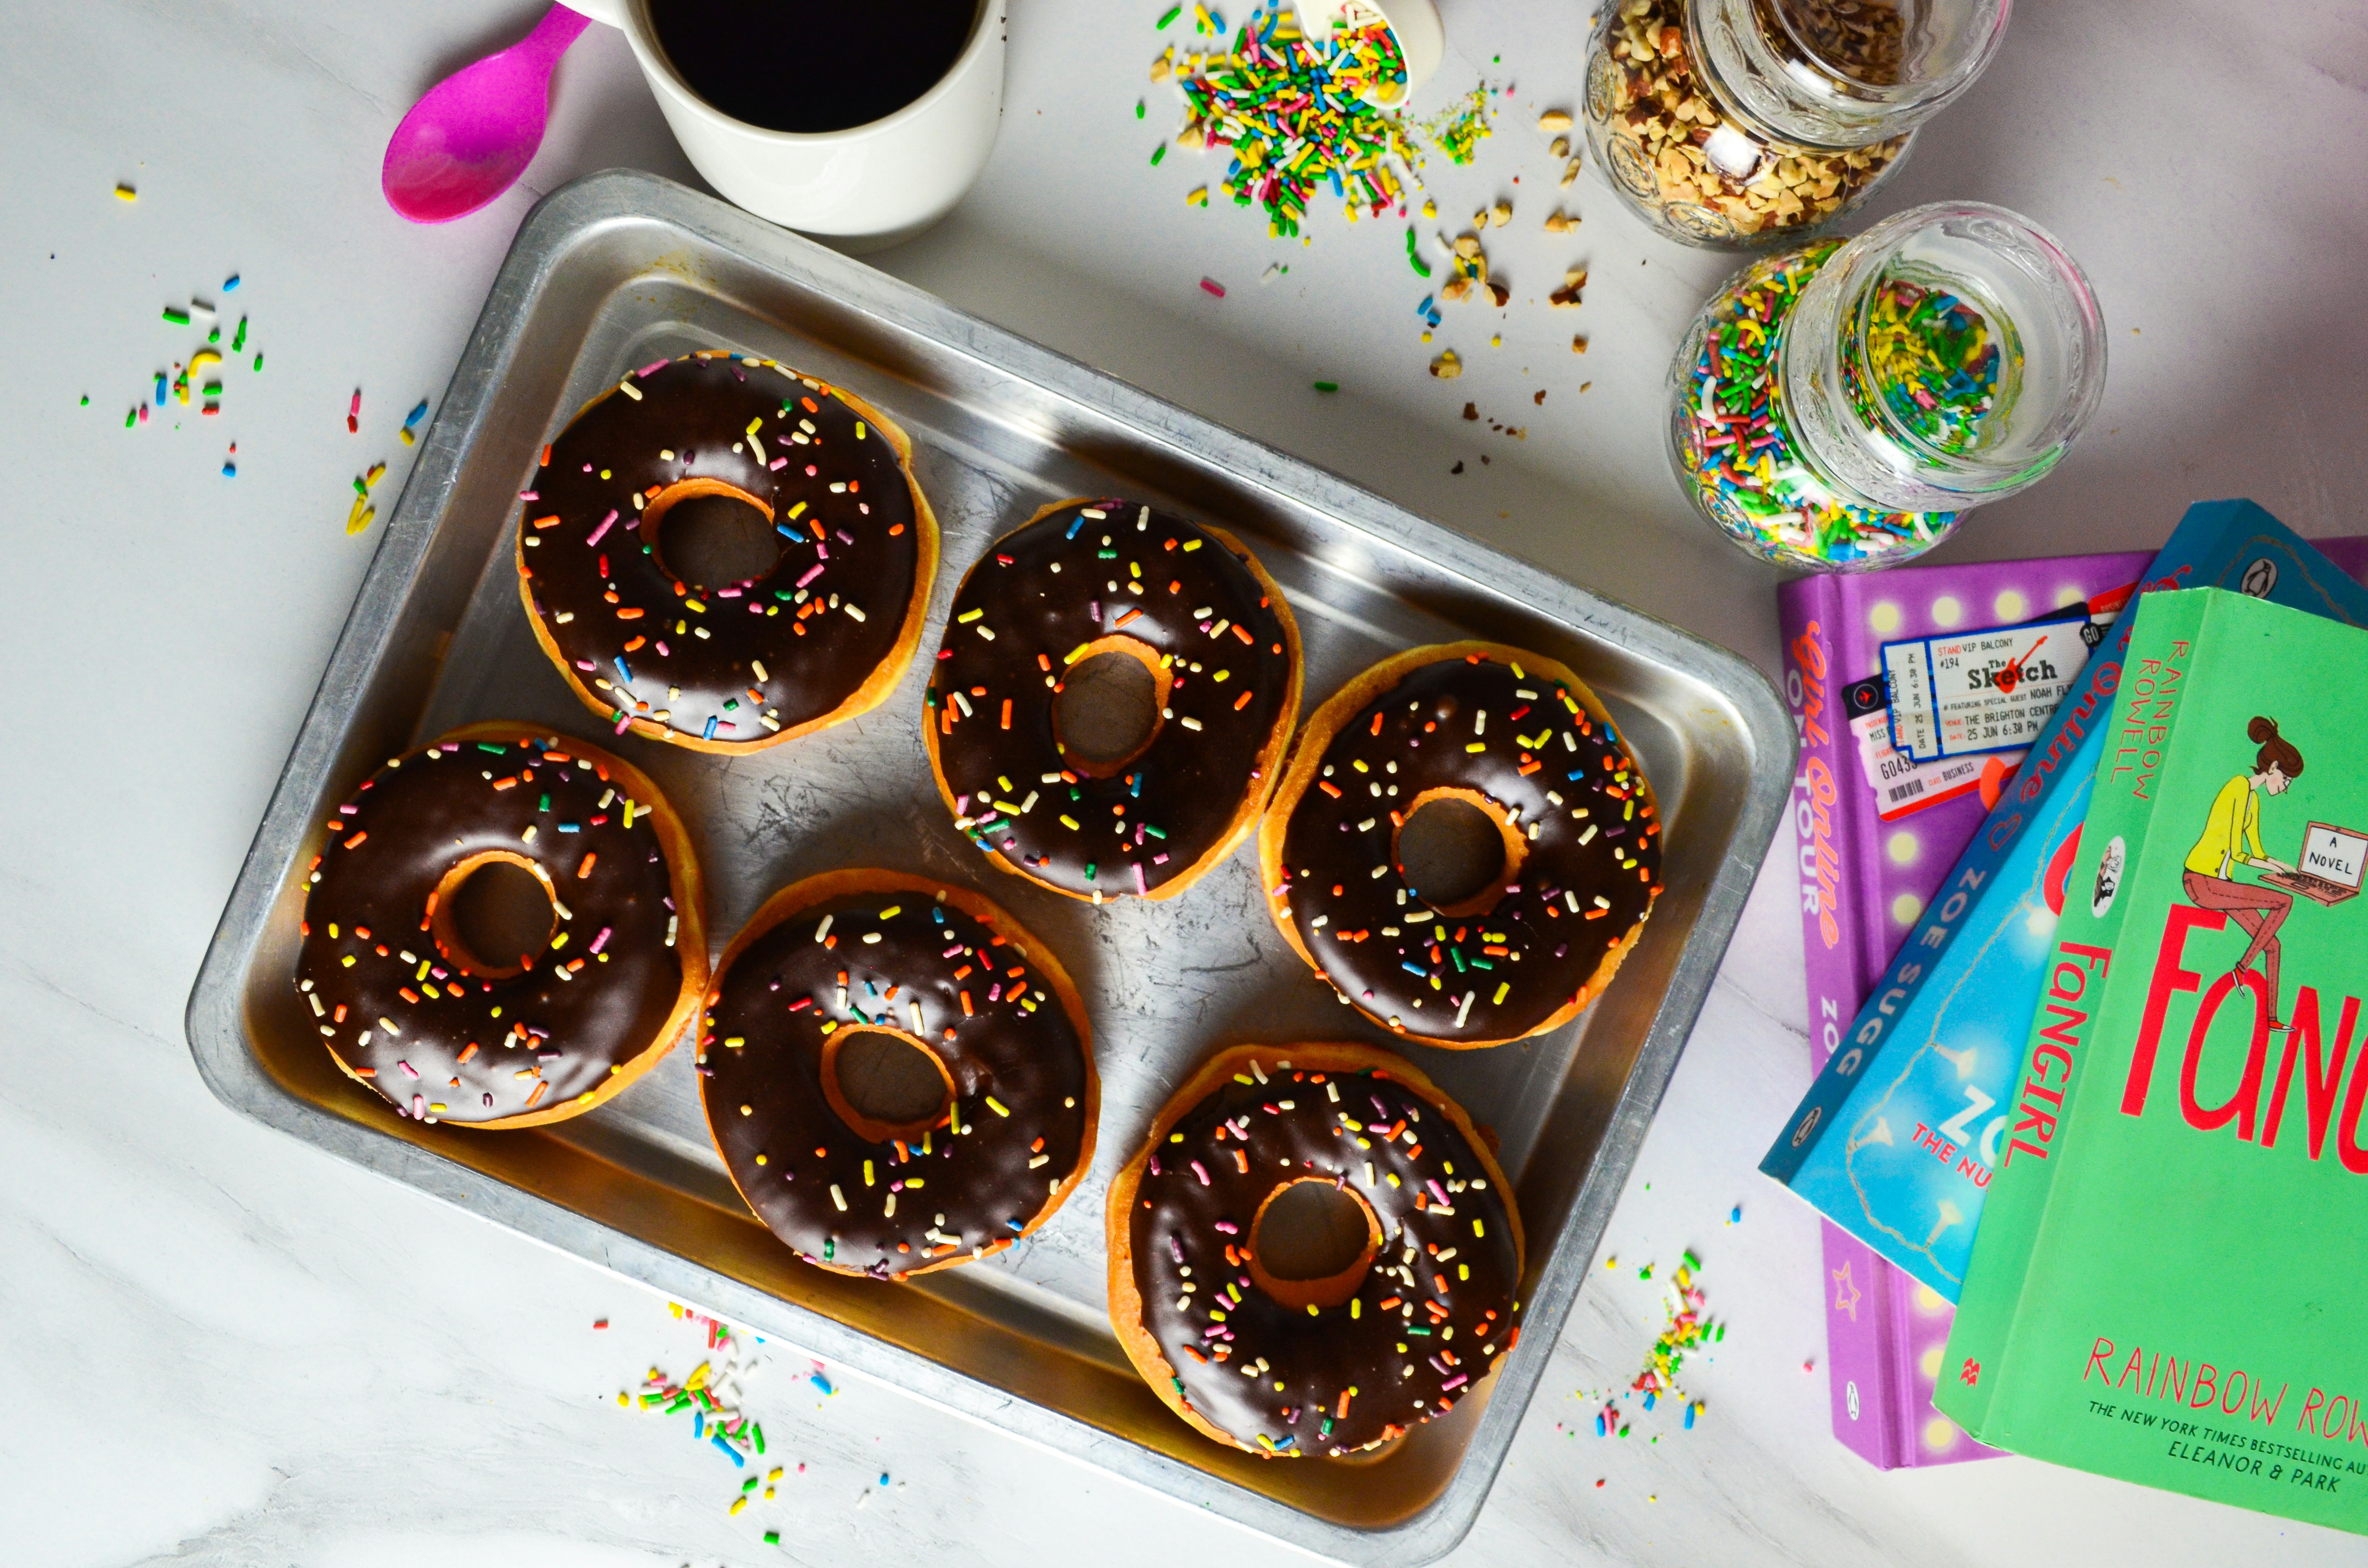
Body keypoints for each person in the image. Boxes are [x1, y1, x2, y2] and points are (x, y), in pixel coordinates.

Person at [2182, 716, 2302, 1028]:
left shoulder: (2255, 802)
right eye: (2286, 780)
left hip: (2220, 884)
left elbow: (2257, 852)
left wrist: (2282, 868)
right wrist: (2272, 869)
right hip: (2201, 881)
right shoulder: (2238, 787)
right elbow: (2238, 853)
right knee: (2284, 903)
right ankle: (2242, 968)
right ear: (2273, 768)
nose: (2286, 788)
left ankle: (2272, 1019)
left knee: (2273, 945)